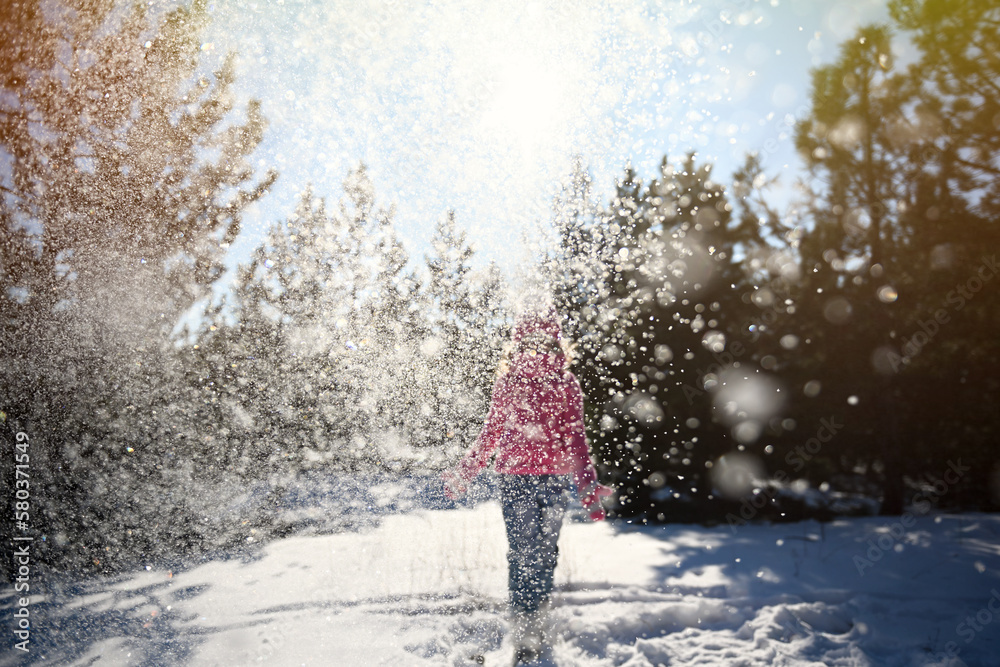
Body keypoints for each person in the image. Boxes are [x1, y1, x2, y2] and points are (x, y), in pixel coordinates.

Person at [442, 304, 612, 632]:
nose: (536, 351)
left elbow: (576, 438)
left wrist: (587, 484)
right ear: (517, 344)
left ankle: (534, 617)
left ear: (555, 344)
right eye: (528, 343)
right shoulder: (512, 383)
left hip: (548, 479)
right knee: (526, 550)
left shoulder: (565, 384)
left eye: (543, 342)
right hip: (519, 478)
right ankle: (524, 620)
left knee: (540, 550)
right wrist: (466, 471)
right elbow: (491, 433)